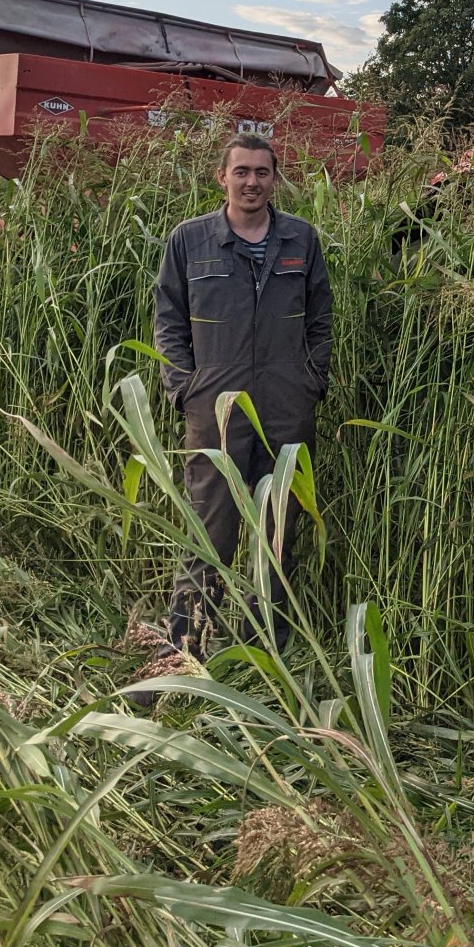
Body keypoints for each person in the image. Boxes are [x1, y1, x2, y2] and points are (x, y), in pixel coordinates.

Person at [145, 132, 332, 664]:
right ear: (221, 177)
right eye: (242, 171)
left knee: (279, 527)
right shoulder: (191, 239)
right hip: (215, 405)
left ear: (275, 179)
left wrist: (310, 380)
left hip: (286, 405)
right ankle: (185, 649)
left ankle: (265, 648)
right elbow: (168, 321)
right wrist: (185, 386)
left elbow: (321, 318)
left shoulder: (301, 239)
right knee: (211, 524)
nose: (252, 182)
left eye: (262, 172)